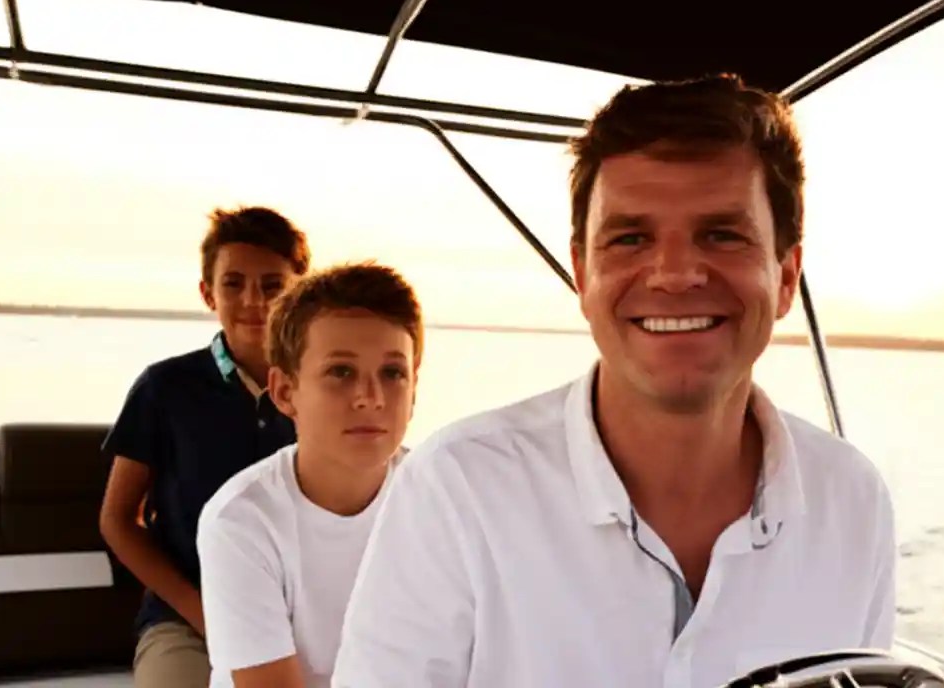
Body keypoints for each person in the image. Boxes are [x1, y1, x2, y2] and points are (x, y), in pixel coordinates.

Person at [331, 75, 896, 688]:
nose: (675, 274)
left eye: (722, 234)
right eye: (630, 238)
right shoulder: (457, 488)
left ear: (786, 276)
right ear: (582, 274)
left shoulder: (853, 501)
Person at [99, 206, 311, 688]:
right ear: (207, 292)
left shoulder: (324, 389)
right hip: (187, 623)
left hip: (304, 618)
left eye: (272, 284)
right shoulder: (164, 388)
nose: (253, 300)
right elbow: (117, 520)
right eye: (233, 283)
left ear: (301, 291)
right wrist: (202, 613)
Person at [196, 261, 422, 688]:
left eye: (393, 373)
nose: (370, 398)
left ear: (414, 393)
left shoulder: (442, 498)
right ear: (285, 391)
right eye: (341, 372)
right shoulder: (240, 521)